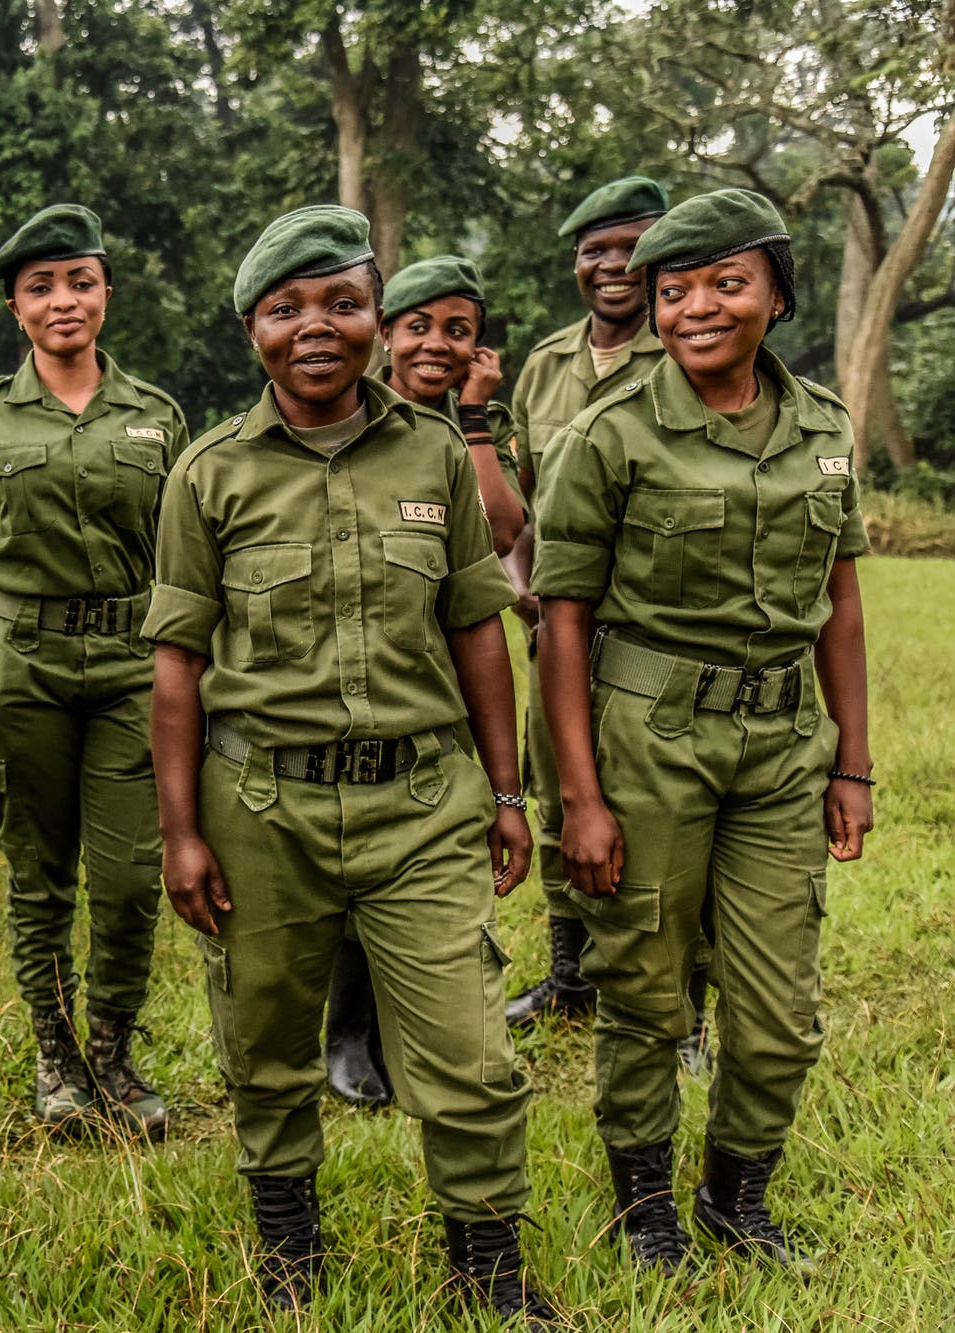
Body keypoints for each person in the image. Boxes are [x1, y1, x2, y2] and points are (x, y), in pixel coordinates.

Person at [146, 205, 556, 1323]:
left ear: (377, 316)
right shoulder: (208, 473)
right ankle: (289, 1258)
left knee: (470, 1054)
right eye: (285, 309)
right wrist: (180, 832)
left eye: (342, 302)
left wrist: (506, 790)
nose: (315, 327)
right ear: (252, 331)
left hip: (422, 801)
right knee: (265, 1046)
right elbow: (176, 665)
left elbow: (476, 628)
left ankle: (488, 1270)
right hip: (260, 806)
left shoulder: (435, 451)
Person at [532, 188, 873, 1276]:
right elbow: (561, 621)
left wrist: (854, 764)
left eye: (727, 284)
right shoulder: (608, 433)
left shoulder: (824, 427)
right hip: (649, 741)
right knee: (642, 988)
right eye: (673, 291)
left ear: (776, 296)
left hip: (781, 746)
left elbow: (842, 599)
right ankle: (645, 1213)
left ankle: (736, 1199)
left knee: (779, 1010)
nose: (695, 309)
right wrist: (579, 798)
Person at [0, 203, 189, 1137]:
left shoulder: (156, 416)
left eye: (81, 281)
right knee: (38, 873)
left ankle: (111, 1051)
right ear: (16, 309)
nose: (63, 300)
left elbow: (181, 564)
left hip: (130, 663)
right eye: (41, 287)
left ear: (107, 292)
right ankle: (56, 1052)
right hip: (18, 663)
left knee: (129, 876)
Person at [320, 254, 530, 1109]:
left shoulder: (476, 425)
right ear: (384, 334)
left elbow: (504, 528)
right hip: (368, 661)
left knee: (439, 846)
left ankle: (425, 1026)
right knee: (358, 855)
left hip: (451, 665)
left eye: (459, 330)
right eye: (418, 326)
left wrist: (473, 419)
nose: (437, 344)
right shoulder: (347, 412)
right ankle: (349, 1034)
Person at [504, 177, 677, 1040]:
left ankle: (679, 1002)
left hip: (656, 635)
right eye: (593, 251)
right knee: (556, 798)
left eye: (631, 249)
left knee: (664, 812)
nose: (612, 266)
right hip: (556, 632)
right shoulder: (544, 365)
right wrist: (521, 589)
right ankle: (571, 977)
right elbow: (518, 502)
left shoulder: (686, 351)